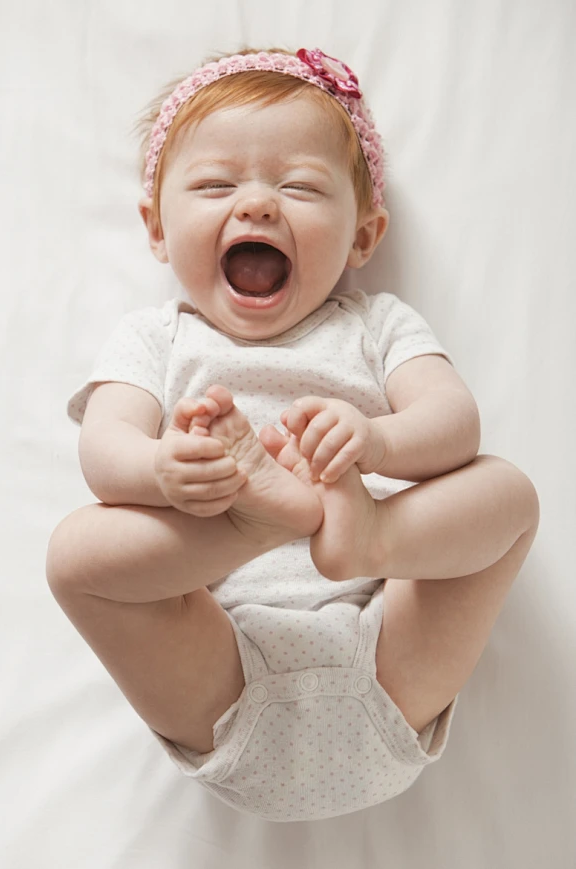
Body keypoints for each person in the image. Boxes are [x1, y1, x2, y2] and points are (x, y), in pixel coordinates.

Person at [46, 47, 539, 822]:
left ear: (364, 237)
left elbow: (454, 422)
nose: (257, 205)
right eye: (216, 184)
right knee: (76, 552)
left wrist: (377, 442)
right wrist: (161, 470)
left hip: (386, 650)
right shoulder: (156, 339)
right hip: (221, 668)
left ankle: (369, 535)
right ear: (156, 227)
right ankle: (250, 528)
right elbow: (103, 451)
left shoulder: (376, 325)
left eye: (300, 186)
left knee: (507, 492)